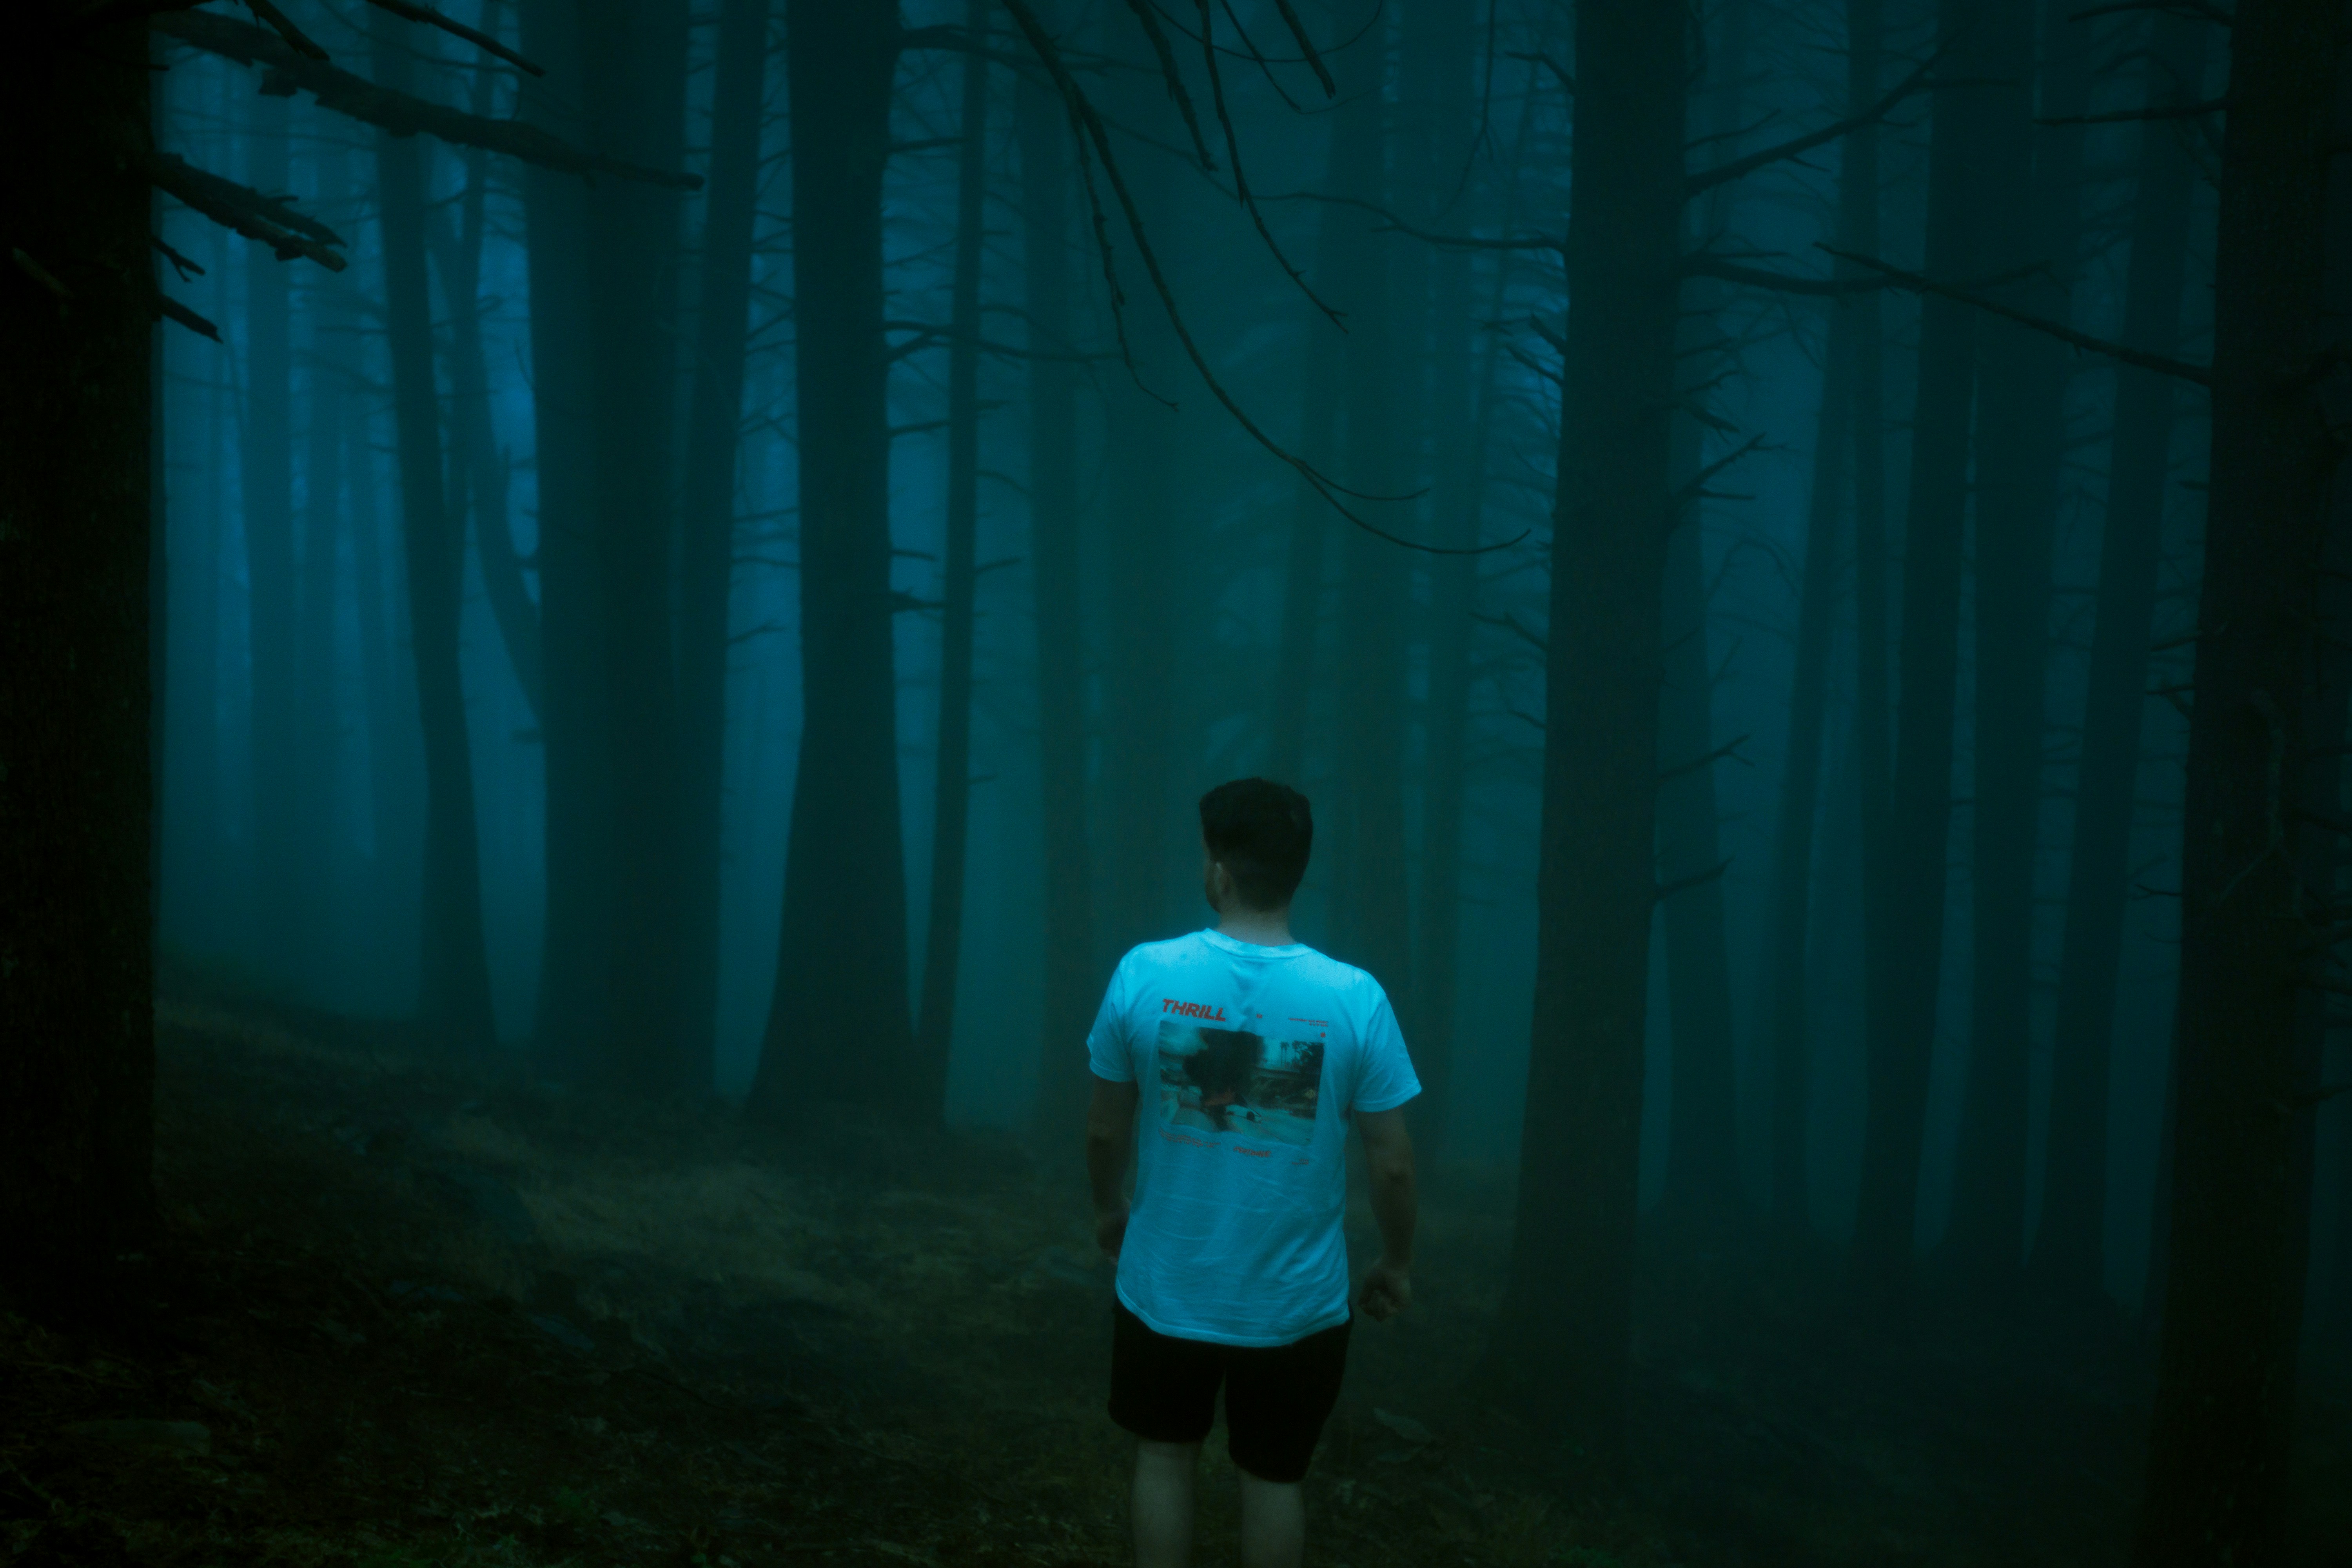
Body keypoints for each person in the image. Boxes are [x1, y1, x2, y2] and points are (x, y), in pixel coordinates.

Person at [1084, 778, 1419, 1568]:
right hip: (1297, 1304)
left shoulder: (1144, 973)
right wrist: (1397, 1260)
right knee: (1274, 1478)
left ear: (1219, 868)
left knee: (1164, 1457)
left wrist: (1110, 1207)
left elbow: (1104, 1127)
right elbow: (1394, 1164)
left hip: (1166, 1286)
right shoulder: (1355, 997)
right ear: (1296, 872)